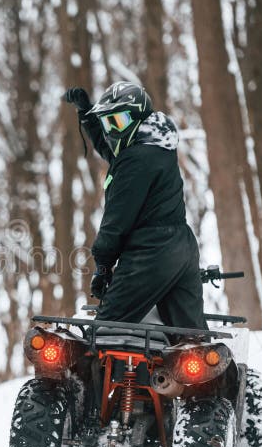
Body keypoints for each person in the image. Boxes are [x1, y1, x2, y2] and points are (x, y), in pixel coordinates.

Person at [64, 81, 207, 330]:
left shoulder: (135, 159)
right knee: (189, 338)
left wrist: (103, 265)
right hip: (183, 249)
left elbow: (116, 221)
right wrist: (87, 115)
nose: (112, 131)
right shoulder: (157, 148)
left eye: (118, 122)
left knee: (105, 332)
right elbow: (112, 153)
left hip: (150, 253)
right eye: (108, 123)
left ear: (138, 118)